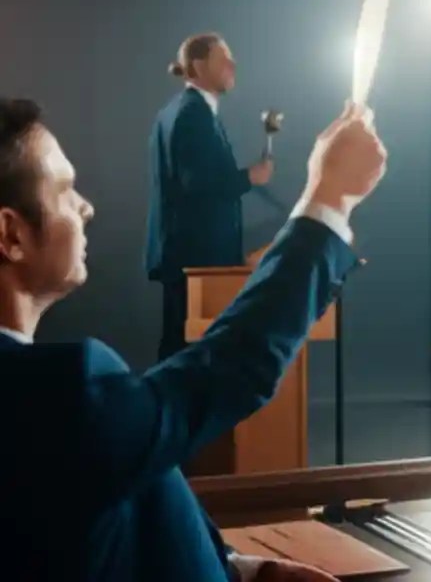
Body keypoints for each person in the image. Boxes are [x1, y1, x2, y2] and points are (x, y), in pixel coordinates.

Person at [0, 95, 388, 580]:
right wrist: (328, 200)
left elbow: (88, 526)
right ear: (10, 235)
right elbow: (230, 367)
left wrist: (240, 571)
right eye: (65, 189)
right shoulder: (58, 397)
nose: (86, 207)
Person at [144, 33, 275, 361]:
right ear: (199, 66)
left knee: (179, 347)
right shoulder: (194, 114)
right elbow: (197, 183)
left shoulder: (175, 111)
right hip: (197, 257)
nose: (233, 65)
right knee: (188, 352)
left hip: (182, 253)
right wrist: (250, 177)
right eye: (223, 59)